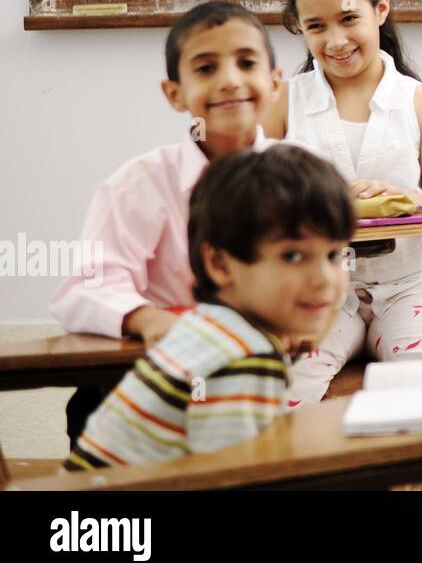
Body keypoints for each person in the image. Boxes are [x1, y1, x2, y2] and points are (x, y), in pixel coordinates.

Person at [50, 0, 282, 442]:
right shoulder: (139, 184)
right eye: (206, 68)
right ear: (174, 94)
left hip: (260, 375)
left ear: (274, 82)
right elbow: (86, 286)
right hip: (153, 377)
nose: (230, 81)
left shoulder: (301, 177)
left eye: (247, 63)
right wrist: (146, 319)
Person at [264, 0, 422, 406]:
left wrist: (406, 202)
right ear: (298, 27)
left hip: (411, 285)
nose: (335, 41)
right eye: (316, 26)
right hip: (313, 288)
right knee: (267, 386)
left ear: (381, 9)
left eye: (348, 19)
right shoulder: (282, 103)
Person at [66, 144, 352, 469]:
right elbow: (226, 477)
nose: (324, 279)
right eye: (293, 256)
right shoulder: (244, 357)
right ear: (219, 263)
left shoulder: (211, 325)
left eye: (333, 255)